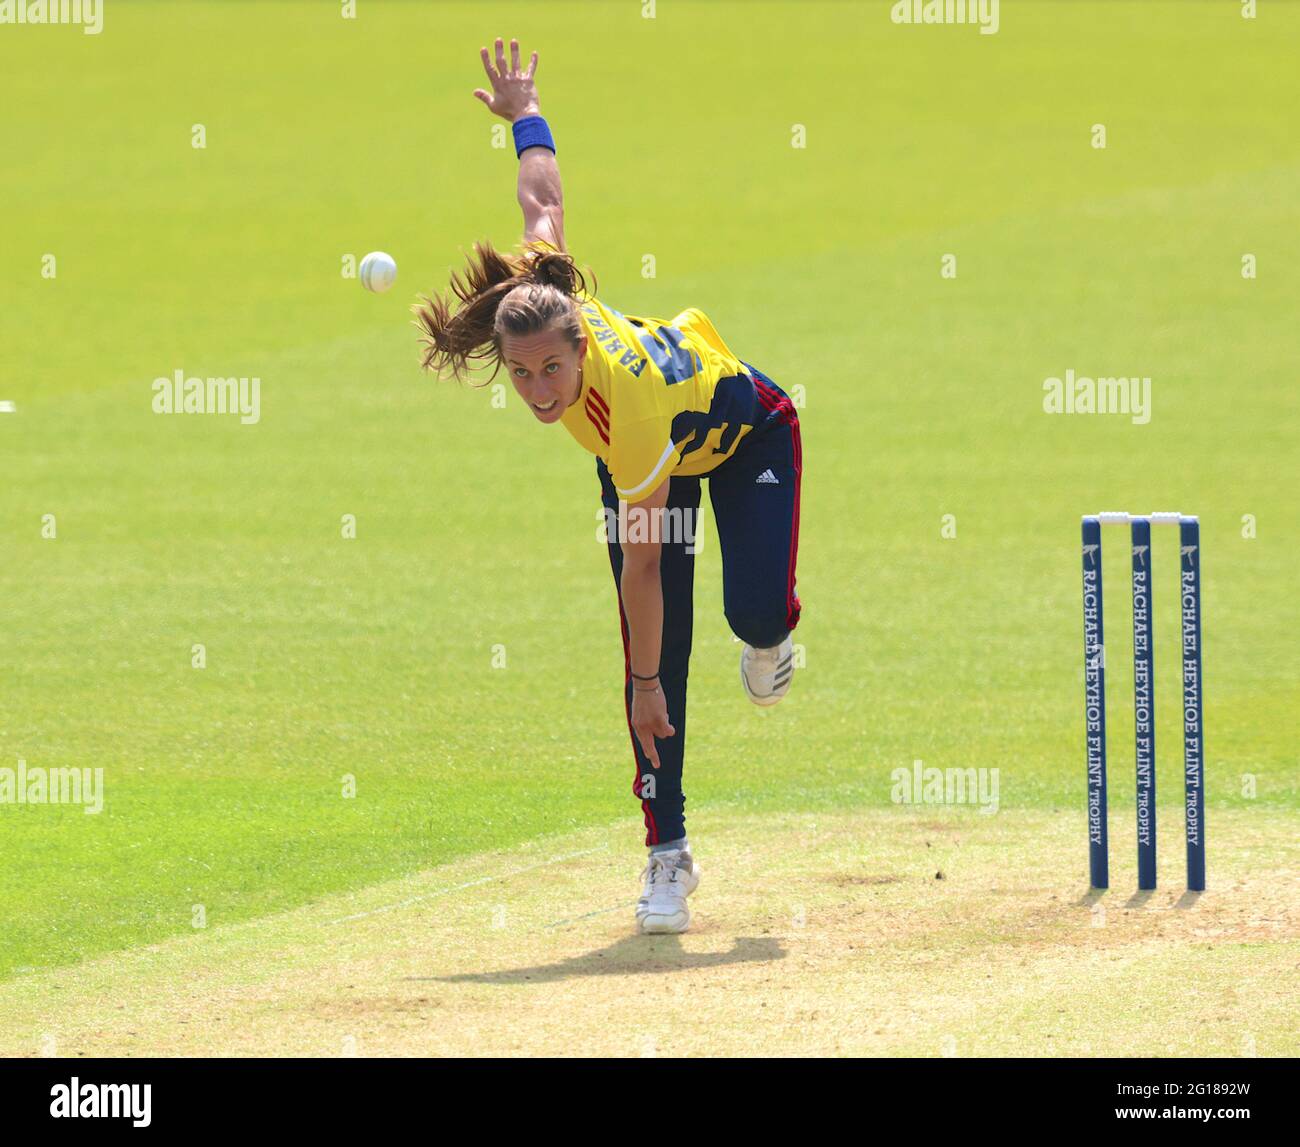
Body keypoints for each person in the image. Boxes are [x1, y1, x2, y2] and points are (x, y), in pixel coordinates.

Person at [413, 39, 803, 934]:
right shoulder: (541, 288)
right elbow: (542, 198)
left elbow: (642, 567)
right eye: (522, 375)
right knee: (660, 664)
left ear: (581, 348)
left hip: (742, 434)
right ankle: (668, 858)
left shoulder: (621, 407)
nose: (541, 391)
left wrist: (639, 682)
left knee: (745, 626)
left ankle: (772, 633)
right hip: (648, 465)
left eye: (553, 370)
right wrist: (525, 114)